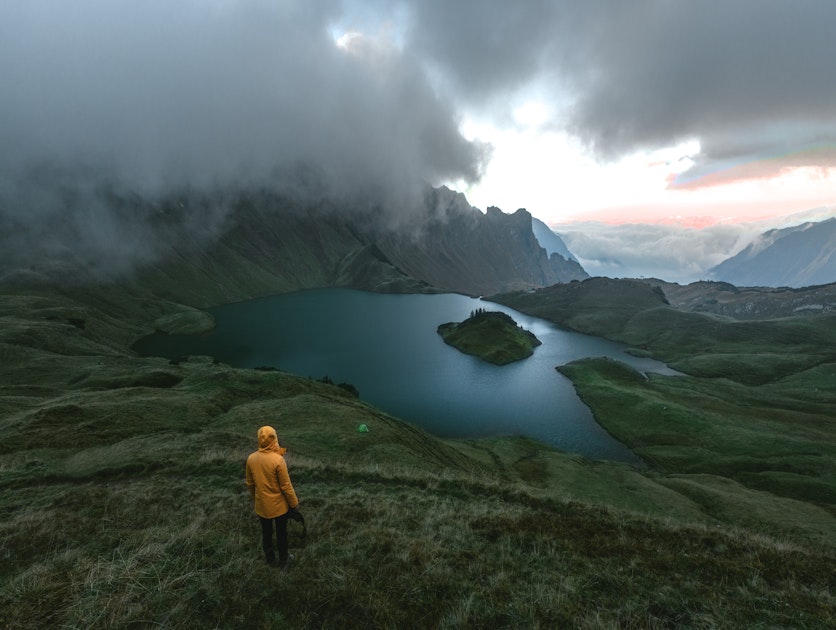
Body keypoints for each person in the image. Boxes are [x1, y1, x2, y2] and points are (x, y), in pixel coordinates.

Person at [245, 425, 299, 568]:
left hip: (262, 505)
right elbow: (286, 487)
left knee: (266, 533)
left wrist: (256, 497)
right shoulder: (278, 460)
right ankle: (283, 560)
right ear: (274, 438)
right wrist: (293, 504)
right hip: (279, 507)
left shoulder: (251, 459)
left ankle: (270, 559)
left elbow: (250, 483)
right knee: (281, 534)